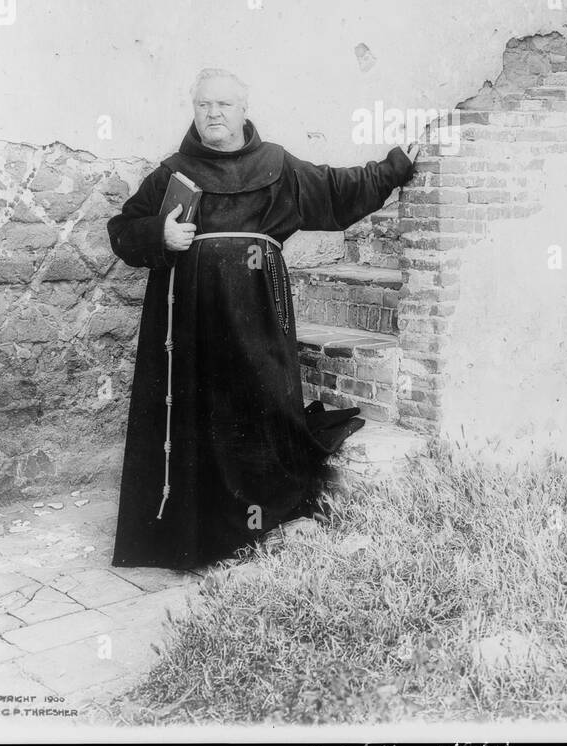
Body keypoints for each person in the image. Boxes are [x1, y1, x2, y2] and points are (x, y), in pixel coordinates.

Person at [106, 68, 418, 568]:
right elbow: (122, 229)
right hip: (188, 322)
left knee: (261, 402)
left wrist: (394, 166)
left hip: (257, 316)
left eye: (224, 105)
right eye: (204, 104)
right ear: (194, 109)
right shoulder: (172, 173)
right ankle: (194, 532)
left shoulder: (276, 166)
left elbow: (338, 190)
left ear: (243, 109)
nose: (213, 113)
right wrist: (158, 235)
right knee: (196, 411)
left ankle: (261, 521)